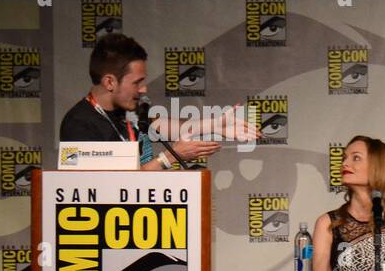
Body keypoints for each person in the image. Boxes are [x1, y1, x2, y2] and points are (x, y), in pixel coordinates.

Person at [58, 33, 253, 170]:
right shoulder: (79, 125)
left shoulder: (127, 112)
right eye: (137, 82)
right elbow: (109, 188)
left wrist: (215, 124)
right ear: (110, 82)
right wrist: (170, 157)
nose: (144, 89)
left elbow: (160, 127)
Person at [312, 136, 385, 271]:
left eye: (356, 158)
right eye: (344, 158)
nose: (344, 163)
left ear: (378, 167)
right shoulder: (328, 223)